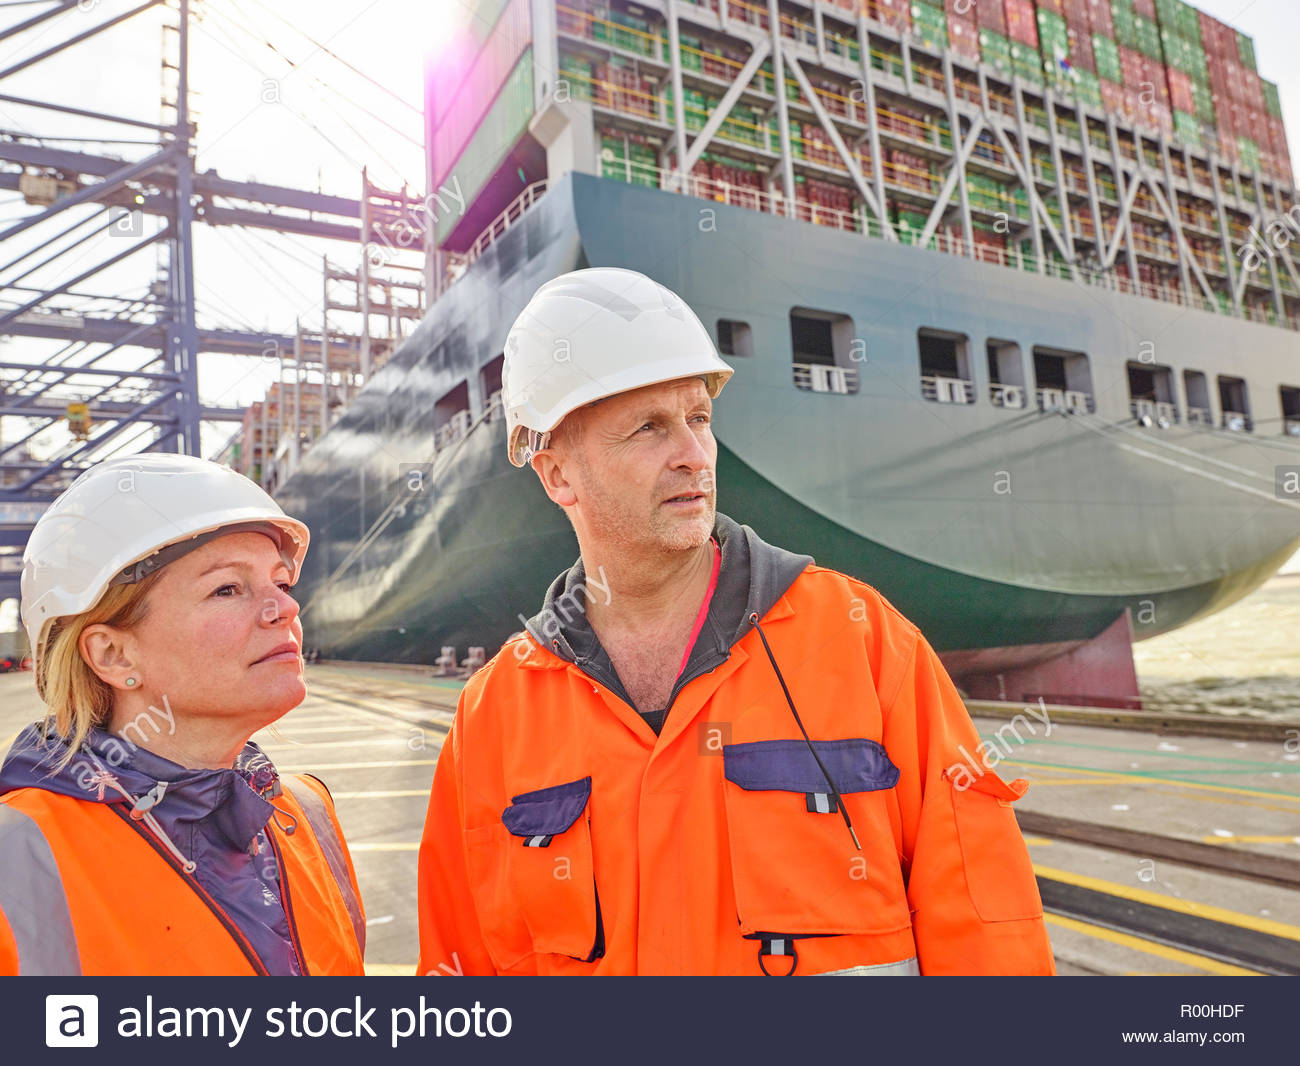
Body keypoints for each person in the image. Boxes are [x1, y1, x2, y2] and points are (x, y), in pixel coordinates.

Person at [417, 268, 1055, 976]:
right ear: (558, 475)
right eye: (649, 428)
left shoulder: (866, 643)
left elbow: (990, 938)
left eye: (698, 418)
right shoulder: (492, 719)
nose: (693, 453)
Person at [0, 454, 365, 976]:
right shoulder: (17, 858)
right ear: (112, 655)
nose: (286, 609)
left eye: (281, 584)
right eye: (227, 589)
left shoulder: (306, 814)